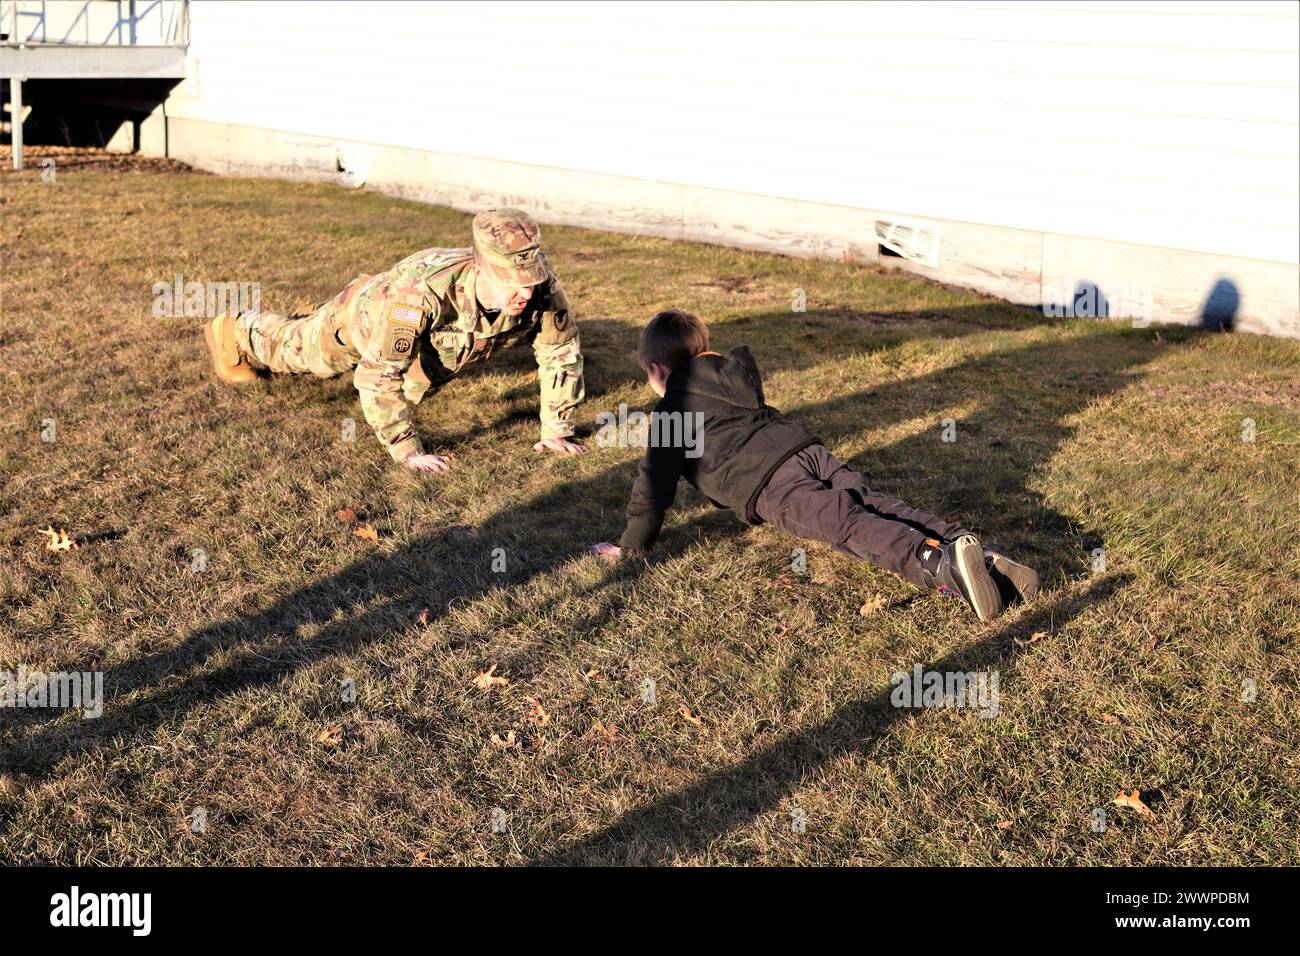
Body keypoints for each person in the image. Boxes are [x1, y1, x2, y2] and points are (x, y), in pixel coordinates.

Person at [589, 309, 1040, 620]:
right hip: (806, 450)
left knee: (845, 525)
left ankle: (937, 563)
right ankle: (966, 547)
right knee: (867, 500)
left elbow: (653, 486)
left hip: (767, 483)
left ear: (656, 370)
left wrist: (630, 547)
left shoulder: (672, 409)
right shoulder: (729, 379)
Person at [203, 209, 586, 471]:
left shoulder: (541, 287)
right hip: (363, 319)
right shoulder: (420, 295)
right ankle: (236, 328)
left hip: (413, 332)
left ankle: (310, 316)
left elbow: (561, 354)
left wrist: (556, 431)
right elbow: (378, 374)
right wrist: (406, 451)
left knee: (407, 374)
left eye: (529, 280)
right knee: (299, 353)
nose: (525, 292)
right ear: (482, 269)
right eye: (512, 282)